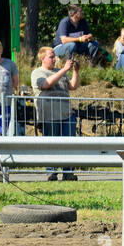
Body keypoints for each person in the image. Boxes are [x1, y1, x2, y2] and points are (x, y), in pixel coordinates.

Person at [31, 46, 80, 180]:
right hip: (49, 116)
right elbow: (46, 84)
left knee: (69, 146)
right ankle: (51, 172)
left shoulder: (60, 72)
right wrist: (64, 69)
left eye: (54, 56)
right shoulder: (37, 73)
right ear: (42, 58)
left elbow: (73, 86)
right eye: (51, 57)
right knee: (51, 145)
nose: (55, 59)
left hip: (66, 115)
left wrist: (75, 71)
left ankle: (68, 173)